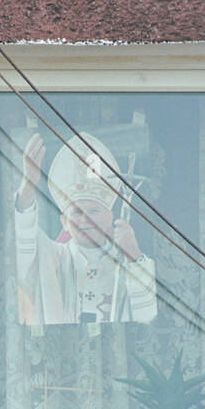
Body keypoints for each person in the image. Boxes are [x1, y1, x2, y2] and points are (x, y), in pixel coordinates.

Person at [14, 131, 158, 326]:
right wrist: (28, 186)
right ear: (64, 222)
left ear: (110, 217)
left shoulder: (127, 263)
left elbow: (147, 317)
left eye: (94, 211)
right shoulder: (52, 257)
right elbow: (25, 240)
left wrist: (133, 254)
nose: (85, 220)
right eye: (77, 213)